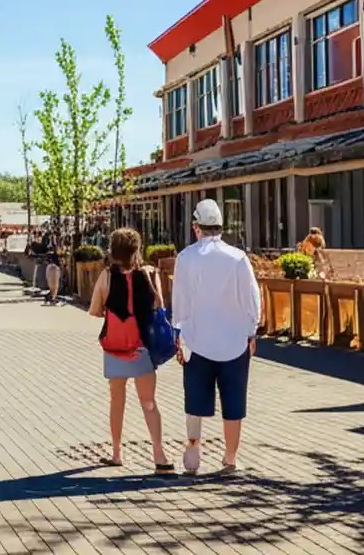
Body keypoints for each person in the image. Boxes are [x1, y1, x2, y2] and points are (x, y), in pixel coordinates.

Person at [172, 199, 261, 476]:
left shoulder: (186, 257)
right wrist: (251, 331)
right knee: (234, 401)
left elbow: (181, 301)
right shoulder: (237, 258)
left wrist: (179, 332)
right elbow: (252, 300)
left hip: (196, 339)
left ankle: (193, 450)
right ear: (221, 228)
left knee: (195, 398)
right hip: (234, 340)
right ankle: (230, 458)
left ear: (196, 227)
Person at [89, 227, 174, 473]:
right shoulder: (149, 273)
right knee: (148, 402)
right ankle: (159, 455)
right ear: (137, 249)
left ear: (113, 250)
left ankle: (117, 453)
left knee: (117, 401)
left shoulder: (106, 276)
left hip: (114, 347)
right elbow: (159, 305)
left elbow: (96, 309)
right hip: (142, 348)